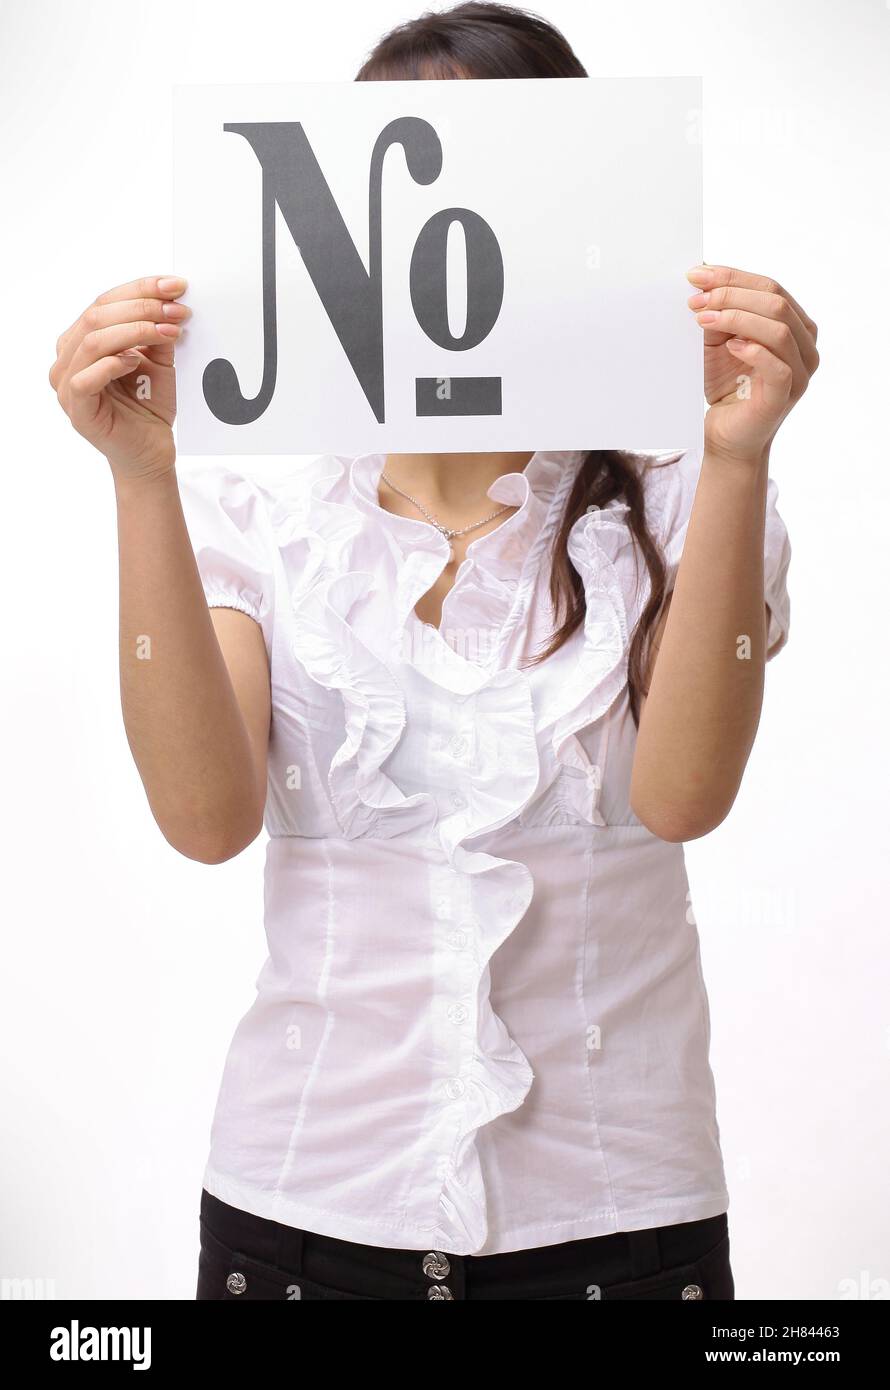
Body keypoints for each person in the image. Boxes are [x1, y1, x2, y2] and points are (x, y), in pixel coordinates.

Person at [48, 2, 818, 1300]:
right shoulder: (262, 511)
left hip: (620, 1226)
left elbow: (682, 794)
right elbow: (202, 815)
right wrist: (140, 480)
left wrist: (738, 455)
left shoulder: (680, 493)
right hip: (297, 1220)